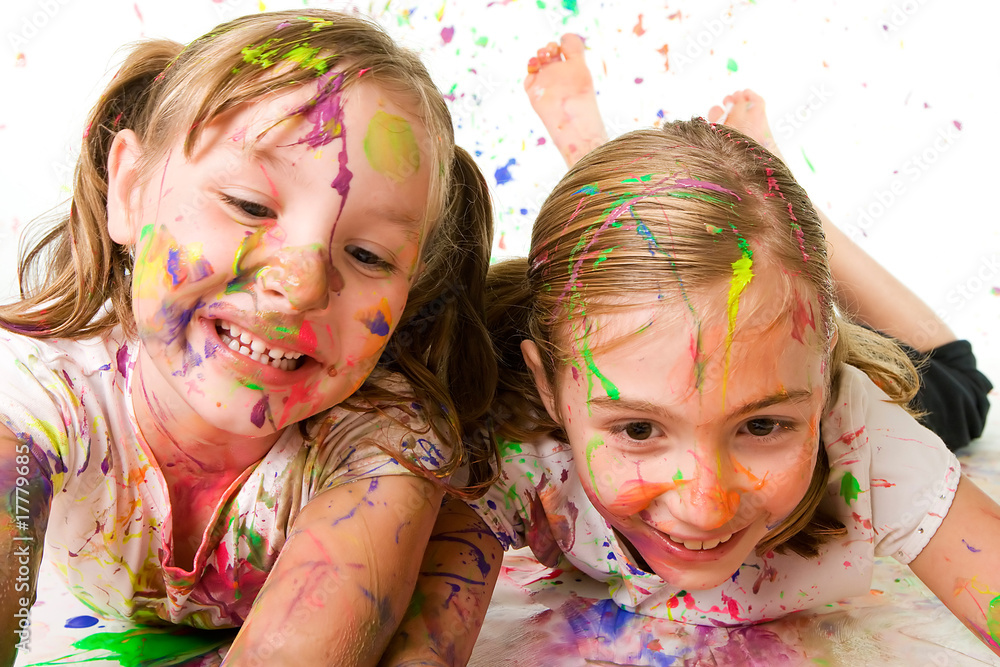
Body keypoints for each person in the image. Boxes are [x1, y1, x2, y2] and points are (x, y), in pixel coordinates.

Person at [0, 10, 498, 666]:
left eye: (369, 255)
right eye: (249, 205)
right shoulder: (35, 382)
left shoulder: (382, 437)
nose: (299, 285)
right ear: (130, 188)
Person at [524, 35, 992, 451]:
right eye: (639, 430)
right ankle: (663, 205)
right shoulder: (543, 375)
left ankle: (762, 207)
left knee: (956, 381)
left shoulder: (846, 404)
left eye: (761, 425)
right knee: (955, 374)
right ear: (545, 383)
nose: (704, 503)